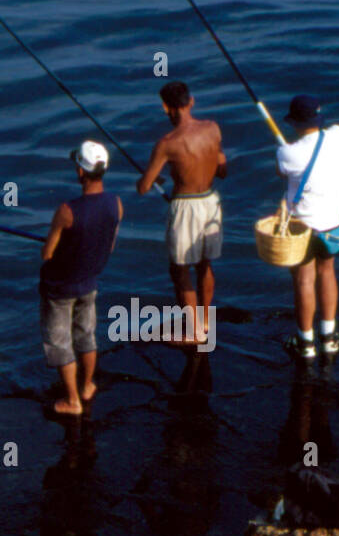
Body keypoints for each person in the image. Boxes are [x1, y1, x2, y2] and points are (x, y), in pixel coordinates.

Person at [136, 80, 226, 343]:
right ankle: (206, 321)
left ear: (167, 108)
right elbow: (223, 169)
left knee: (180, 269)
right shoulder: (213, 128)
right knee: (205, 263)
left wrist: (145, 180)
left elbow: (143, 187)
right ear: (192, 101)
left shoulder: (167, 143)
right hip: (211, 200)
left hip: (186, 206)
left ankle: (195, 332)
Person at [40, 140, 124, 416]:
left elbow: (47, 253)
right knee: (86, 336)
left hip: (60, 288)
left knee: (60, 343)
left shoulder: (67, 210)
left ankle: (72, 400)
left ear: (80, 172)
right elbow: (109, 245)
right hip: (90, 282)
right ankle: (87, 385)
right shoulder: (116, 204)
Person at [277, 95, 339, 360]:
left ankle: (305, 341)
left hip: (303, 229)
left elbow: (282, 170)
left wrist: (292, 147)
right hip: (333, 223)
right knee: (327, 271)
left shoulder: (287, 152)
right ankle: (329, 337)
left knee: (304, 280)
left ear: (295, 122)